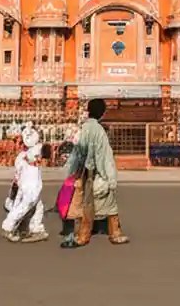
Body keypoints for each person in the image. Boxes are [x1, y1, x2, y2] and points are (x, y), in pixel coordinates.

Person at [62, 98, 128, 247]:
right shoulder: (99, 131)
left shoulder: (84, 128)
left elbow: (78, 152)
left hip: (85, 171)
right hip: (98, 173)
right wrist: (110, 177)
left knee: (88, 204)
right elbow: (104, 156)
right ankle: (110, 234)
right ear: (102, 113)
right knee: (105, 204)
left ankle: (85, 235)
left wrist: (72, 171)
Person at [2, 127, 48, 242]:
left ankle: (36, 229)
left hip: (26, 185)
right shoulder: (33, 151)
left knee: (38, 206)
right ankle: (8, 226)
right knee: (24, 207)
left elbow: (17, 175)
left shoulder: (22, 156)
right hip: (31, 186)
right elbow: (45, 150)